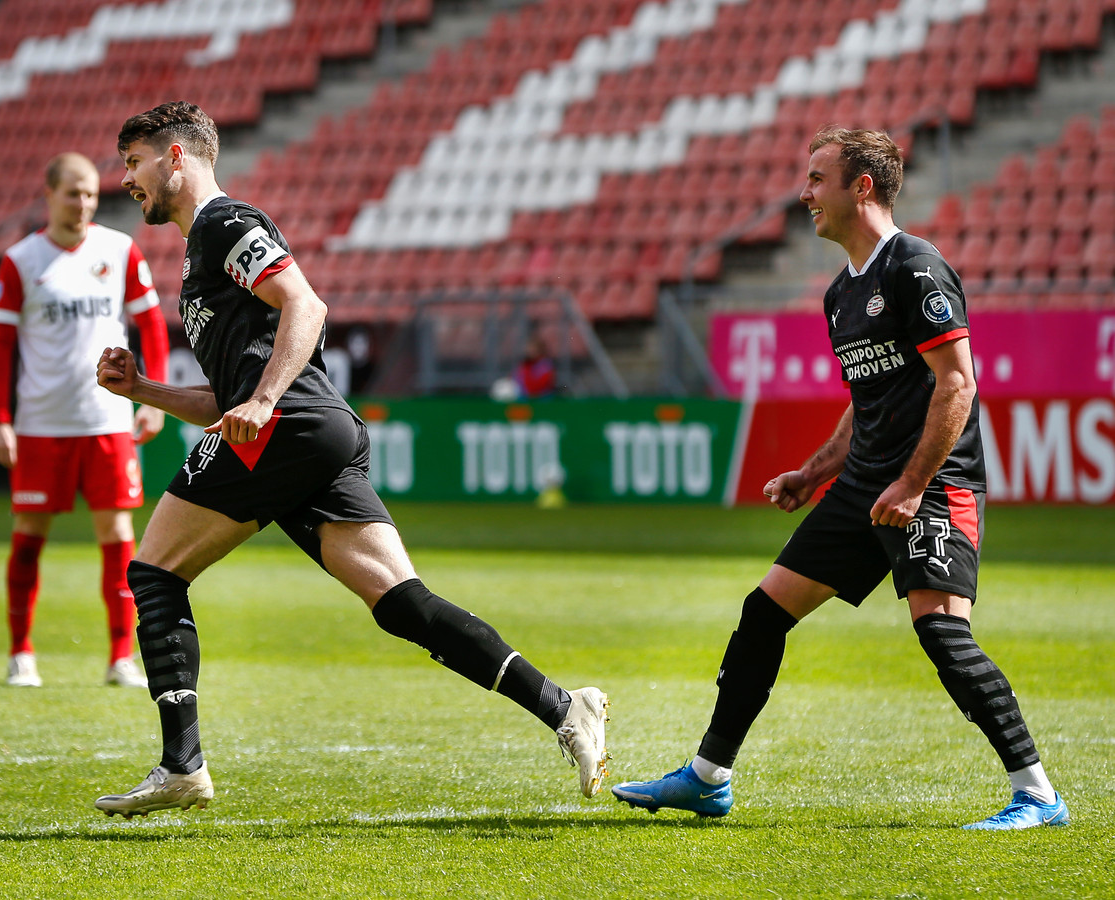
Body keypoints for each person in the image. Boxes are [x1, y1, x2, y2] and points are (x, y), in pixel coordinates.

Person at [91, 101, 608, 818]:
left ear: (176, 156)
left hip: (292, 425)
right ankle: (564, 706)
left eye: (134, 162)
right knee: (403, 603)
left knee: (152, 573)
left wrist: (266, 402)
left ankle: (183, 765)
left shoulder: (224, 222)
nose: (127, 179)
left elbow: (306, 305)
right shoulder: (199, 248)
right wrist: (144, 389)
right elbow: (225, 404)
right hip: (313, 430)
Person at [611, 127, 1067, 831]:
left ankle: (1037, 794)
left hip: (935, 484)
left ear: (862, 188)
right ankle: (707, 778)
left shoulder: (915, 268)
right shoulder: (838, 295)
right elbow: (867, 403)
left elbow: (957, 385)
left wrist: (913, 484)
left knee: (941, 630)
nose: (803, 195)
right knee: (764, 611)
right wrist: (813, 470)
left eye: (816, 179)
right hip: (863, 487)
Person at [0, 152, 170, 689]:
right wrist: (0, 417)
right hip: (42, 424)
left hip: (107, 421)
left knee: (118, 535)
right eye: (73, 193)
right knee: (29, 535)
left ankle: (119, 658)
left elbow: (151, 327)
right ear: (49, 195)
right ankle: (21, 653)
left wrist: (152, 399)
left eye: (91, 193)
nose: (84, 203)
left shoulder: (120, 249)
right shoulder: (20, 260)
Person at [513, 335, 556, 399]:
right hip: (525, 398)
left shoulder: (546, 367)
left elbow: (536, 388)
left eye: (532, 349)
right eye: (528, 349)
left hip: (541, 400)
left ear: (539, 350)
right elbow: (516, 381)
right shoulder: (525, 365)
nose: (529, 351)